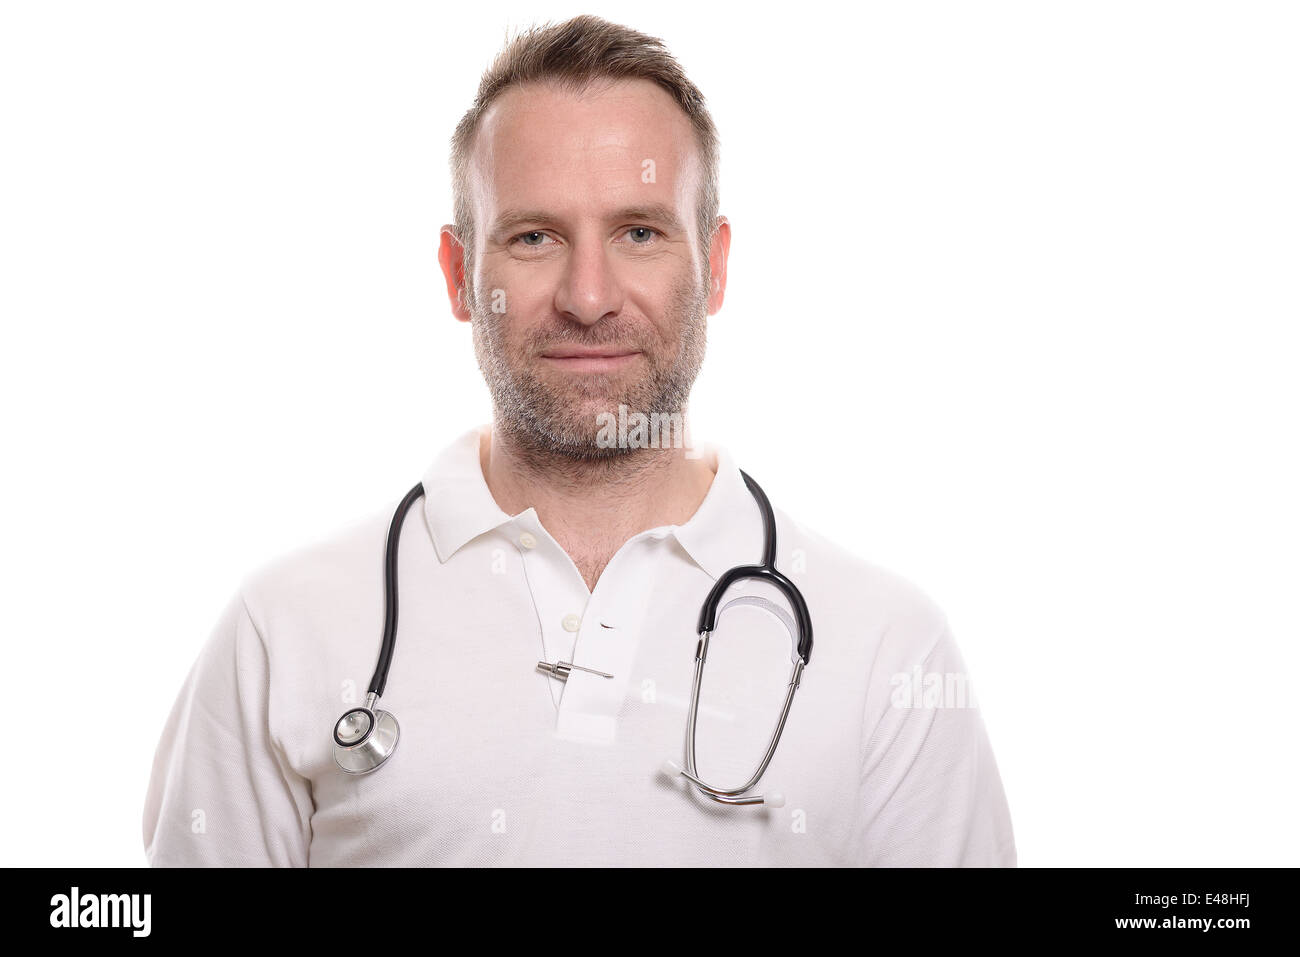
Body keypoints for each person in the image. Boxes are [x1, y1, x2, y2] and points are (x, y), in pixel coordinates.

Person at [142, 14, 1016, 867]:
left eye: (639, 231)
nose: (589, 297)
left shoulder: (888, 650)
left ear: (714, 267)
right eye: (534, 237)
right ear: (459, 275)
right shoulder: (285, 630)